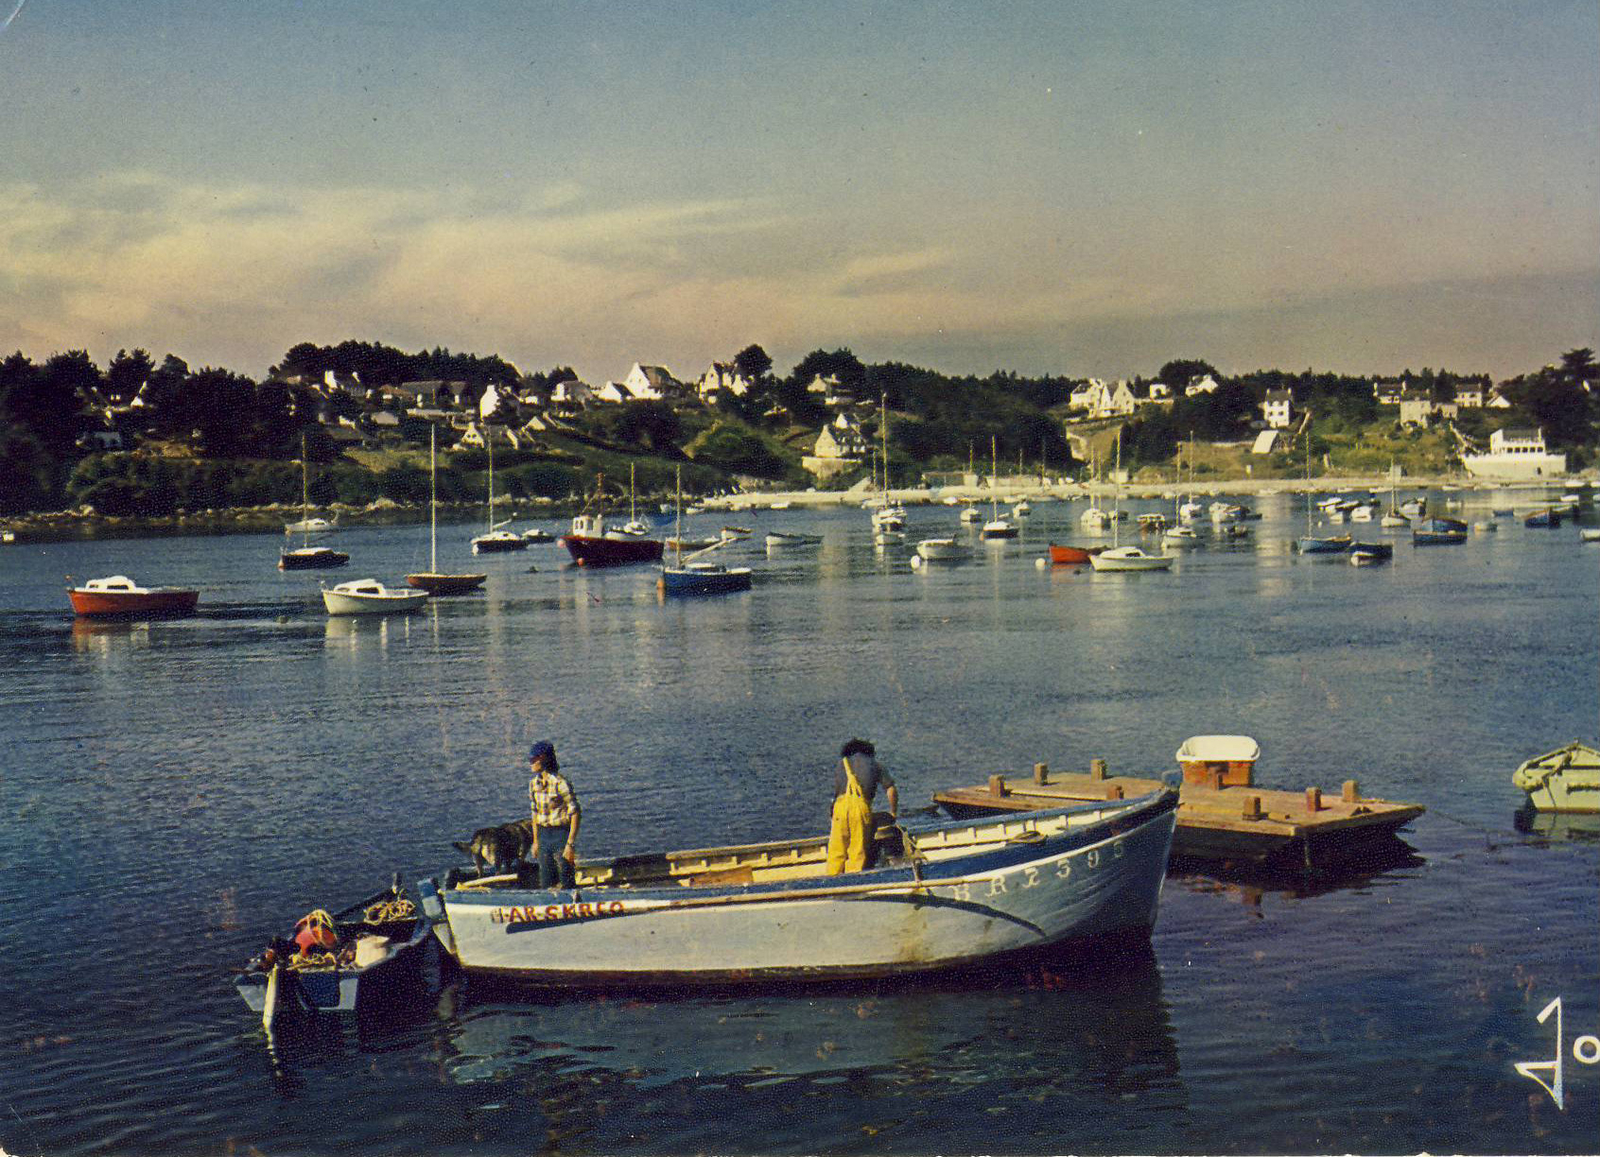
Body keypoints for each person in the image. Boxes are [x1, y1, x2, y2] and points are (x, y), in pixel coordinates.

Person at [825, 737, 897, 875]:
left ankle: (831, 879)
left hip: (839, 808)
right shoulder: (876, 765)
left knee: (836, 851)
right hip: (860, 808)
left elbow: (837, 792)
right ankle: (853, 880)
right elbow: (890, 789)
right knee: (857, 851)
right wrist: (893, 811)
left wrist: (832, 816)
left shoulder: (842, 764)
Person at [527, 740, 580, 889]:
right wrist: (536, 842)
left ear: (543, 759)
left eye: (533, 760)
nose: (530, 763)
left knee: (565, 877)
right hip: (543, 836)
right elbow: (535, 814)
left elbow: (575, 812)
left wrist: (570, 844)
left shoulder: (560, 783)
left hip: (560, 835)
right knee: (545, 880)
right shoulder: (533, 784)